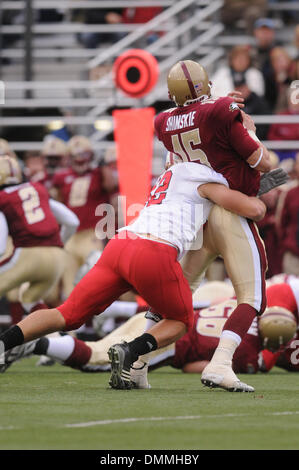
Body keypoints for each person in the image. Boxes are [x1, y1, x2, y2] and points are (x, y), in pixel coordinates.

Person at [0, 159, 267, 390]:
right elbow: (254, 210)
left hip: (120, 244)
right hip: (153, 251)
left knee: (68, 313)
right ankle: (130, 351)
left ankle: (4, 342)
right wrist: (257, 197)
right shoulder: (204, 178)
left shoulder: (171, 172)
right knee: (181, 321)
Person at [145, 59, 277, 393]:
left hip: (198, 211)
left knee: (179, 291)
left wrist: (220, 108)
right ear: (206, 85)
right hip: (230, 208)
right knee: (252, 294)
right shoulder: (221, 111)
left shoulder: (163, 122)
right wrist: (249, 130)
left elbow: (198, 126)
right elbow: (263, 162)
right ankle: (220, 364)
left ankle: (138, 361)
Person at [3, 282, 296, 379]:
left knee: (215, 290)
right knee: (99, 360)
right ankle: (37, 346)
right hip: (167, 340)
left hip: (164, 317)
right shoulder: (247, 353)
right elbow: (197, 367)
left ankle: (46, 338)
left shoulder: (247, 305)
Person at [0, 155, 79, 316]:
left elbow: (1, 245)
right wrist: (58, 244)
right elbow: (72, 221)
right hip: (56, 259)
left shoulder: (3, 198)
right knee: (31, 300)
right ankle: (60, 340)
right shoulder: (38, 189)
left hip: (28, 254)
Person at [52, 135, 117, 297]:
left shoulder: (98, 173)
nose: (80, 160)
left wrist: (103, 167)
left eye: (84, 155)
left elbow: (111, 185)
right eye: (76, 156)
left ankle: (101, 322)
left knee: (96, 281)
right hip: (70, 237)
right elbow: (58, 203)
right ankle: (75, 322)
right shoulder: (61, 177)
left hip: (92, 234)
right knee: (69, 285)